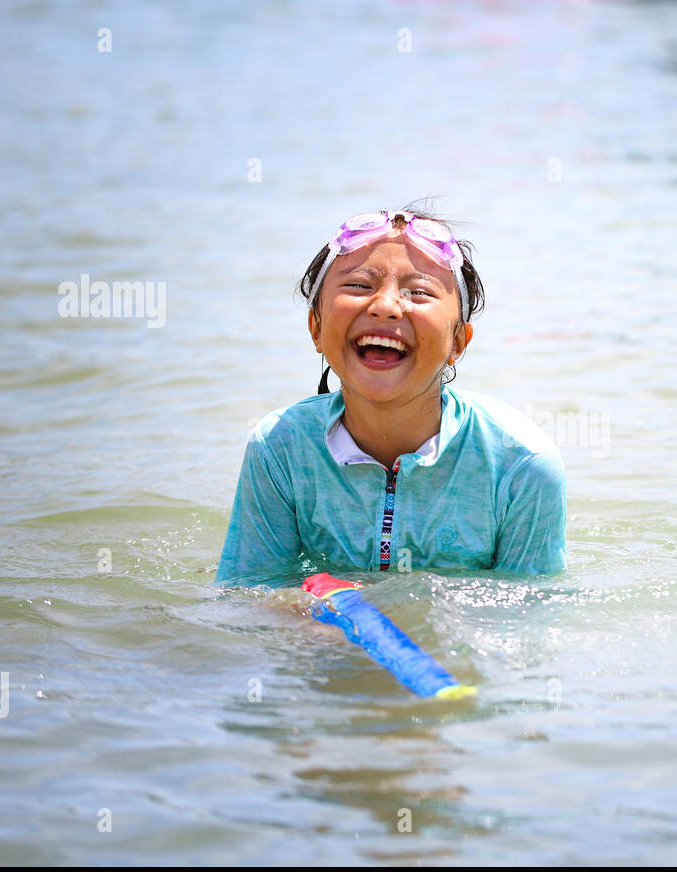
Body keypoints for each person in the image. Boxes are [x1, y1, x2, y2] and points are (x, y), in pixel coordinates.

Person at [215, 208, 566, 588]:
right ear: (316, 327)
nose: (385, 306)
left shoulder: (520, 466)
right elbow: (247, 596)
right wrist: (304, 610)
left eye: (419, 292)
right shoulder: (281, 447)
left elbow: (529, 616)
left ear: (457, 343)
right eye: (359, 286)